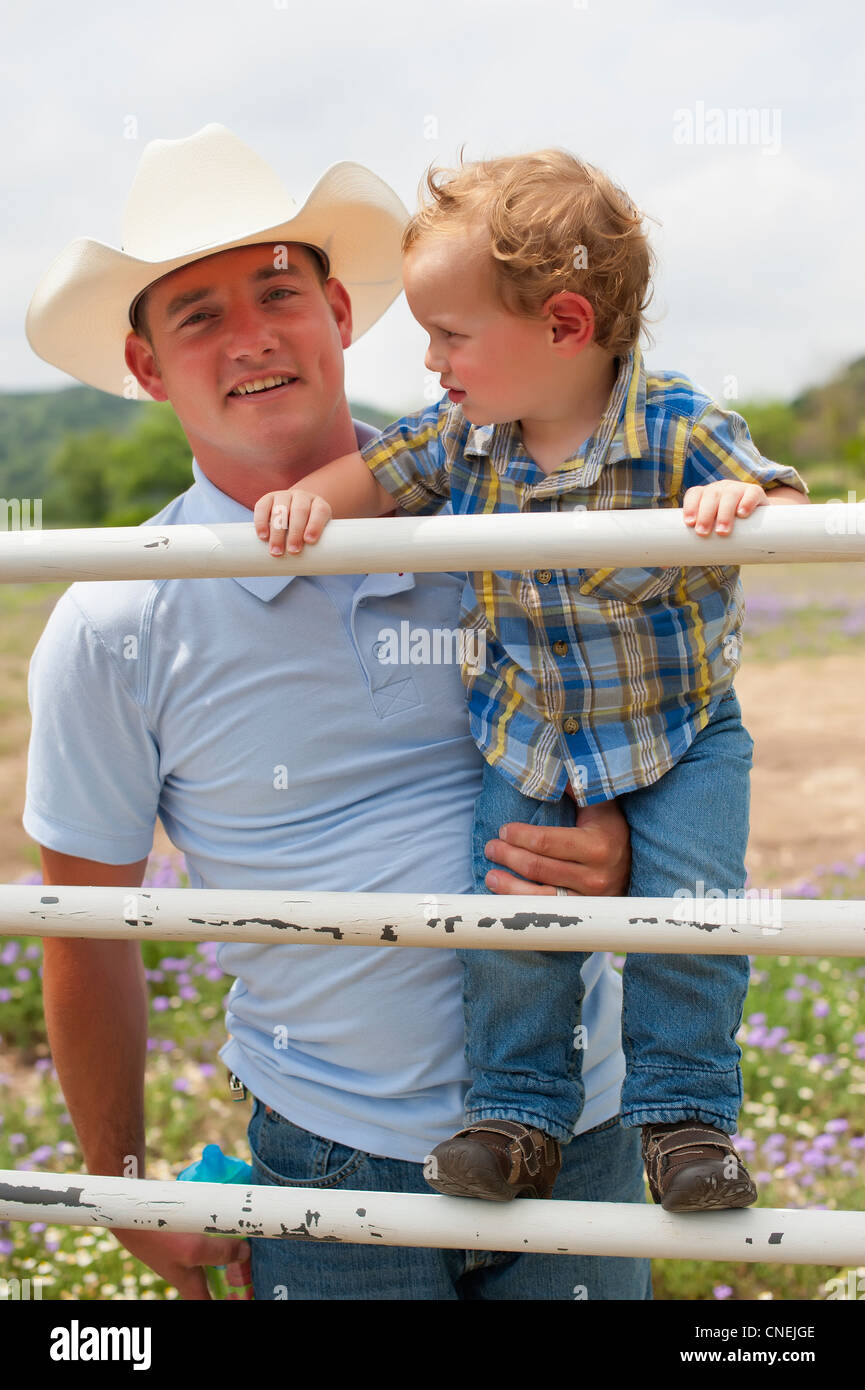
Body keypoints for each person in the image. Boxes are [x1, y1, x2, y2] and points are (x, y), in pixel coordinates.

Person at [23, 125, 647, 1301]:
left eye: (278, 292)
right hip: (334, 1161)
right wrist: (123, 1186)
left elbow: (650, 723)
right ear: (148, 368)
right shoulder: (118, 618)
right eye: (197, 315)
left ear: (342, 312)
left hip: (585, 1117)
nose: (253, 336)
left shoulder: (509, 513)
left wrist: (622, 841)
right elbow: (85, 927)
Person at [253, 149, 810, 1212]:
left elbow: (784, 504)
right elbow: (375, 474)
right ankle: (515, 1114)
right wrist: (305, 503)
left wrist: (744, 509)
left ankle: (686, 1125)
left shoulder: (677, 423)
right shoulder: (466, 438)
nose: (430, 360)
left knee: (690, 924)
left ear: (561, 325)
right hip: (532, 730)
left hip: (680, 731)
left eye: (449, 335)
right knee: (507, 929)